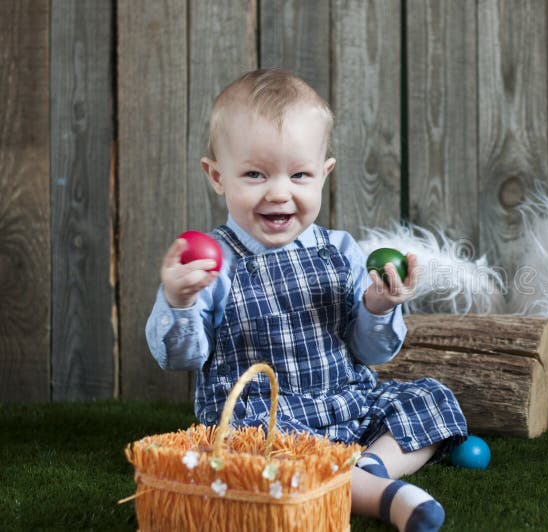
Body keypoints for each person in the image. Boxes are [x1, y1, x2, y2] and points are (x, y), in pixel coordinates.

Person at [145, 68, 467, 532]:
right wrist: (177, 301)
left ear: (325, 174)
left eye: (299, 174)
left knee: (431, 398)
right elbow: (180, 357)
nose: (279, 192)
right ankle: (383, 495)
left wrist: (378, 307)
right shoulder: (211, 267)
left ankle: (368, 469)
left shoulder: (339, 250)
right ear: (216, 176)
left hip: (347, 404)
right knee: (244, 458)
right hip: (264, 421)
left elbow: (372, 352)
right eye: (255, 174)